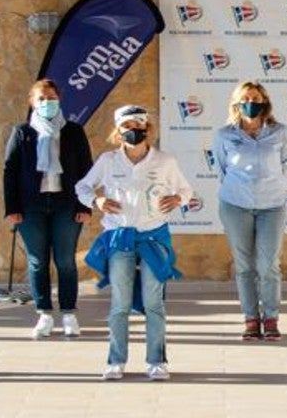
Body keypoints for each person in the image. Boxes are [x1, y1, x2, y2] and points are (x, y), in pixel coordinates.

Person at [76, 105, 193, 381]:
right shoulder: (107, 160)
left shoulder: (165, 161)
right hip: (120, 239)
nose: (134, 131)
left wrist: (178, 199)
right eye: (127, 127)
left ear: (147, 129)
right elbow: (82, 187)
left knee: (154, 302)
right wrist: (97, 201)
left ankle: (157, 361)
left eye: (139, 126)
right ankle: (116, 361)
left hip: (153, 237)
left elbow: (186, 190)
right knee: (120, 302)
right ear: (118, 132)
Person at [4, 79, 93, 339]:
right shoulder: (22, 132)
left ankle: (69, 314)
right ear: (32, 102)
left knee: (65, 260)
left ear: (59, 100)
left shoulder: (74, 131)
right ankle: (44, 313)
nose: (47, 103)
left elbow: (86, 169)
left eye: (51, 98)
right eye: (41, 98)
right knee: (37, 261)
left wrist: (84, 205)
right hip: (31, 206)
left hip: (66, 203)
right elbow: (10, 170)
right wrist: (12, 207)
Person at [214, 81, 287, 341]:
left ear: (264, 102)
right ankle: (250, 319)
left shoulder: (280, 132)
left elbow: (283, 162)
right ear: (237, 103)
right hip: (236, 205)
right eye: (246, 98)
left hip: (272, 205)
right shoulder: (225, 134)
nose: (251, 102)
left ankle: (271, 318)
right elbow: (223, 168)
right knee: (245, 265)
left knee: (269, 265)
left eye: (256, 97)